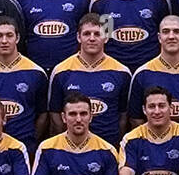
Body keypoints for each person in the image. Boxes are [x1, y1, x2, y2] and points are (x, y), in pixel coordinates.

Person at [30, 92, 121, 175]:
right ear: (63, 117)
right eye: (72, 114)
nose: (78, 119)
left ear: (91, 116)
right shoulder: (47, 148)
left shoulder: (107, 149)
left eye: (83, 114)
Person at [47, 13, 132, 147]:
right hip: (71, 149)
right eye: (87, 34)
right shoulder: (61, 71)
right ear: (78, 37)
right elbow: (55, 115)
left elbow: (123, 117)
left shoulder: (122, 72)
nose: (92, 38)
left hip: (108, 148)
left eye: (97, 34)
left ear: (106, 37)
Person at [0, 16, 49, 157]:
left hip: (26, 150)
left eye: (9, 35)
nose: (4, 41)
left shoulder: (36, 73)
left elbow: (43, 115)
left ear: (17, 38)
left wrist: (30, 141)